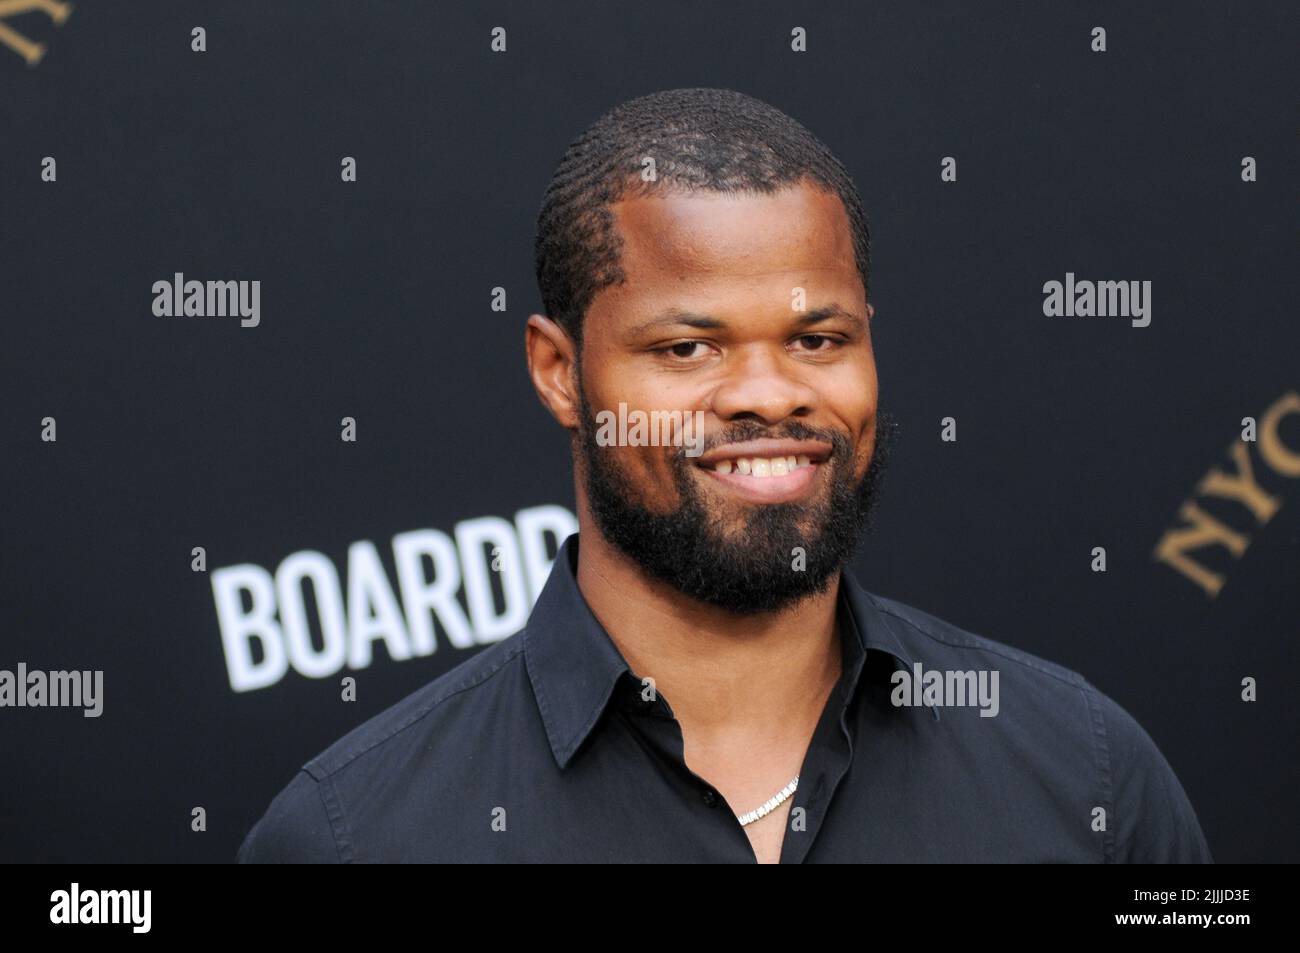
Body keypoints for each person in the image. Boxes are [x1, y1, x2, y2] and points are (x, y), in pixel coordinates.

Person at [238, 87, 1212, 863]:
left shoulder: (1085, 774)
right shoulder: (356, 834)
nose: (770, 393)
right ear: (557, 370)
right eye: (687, 347)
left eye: (818, 337)